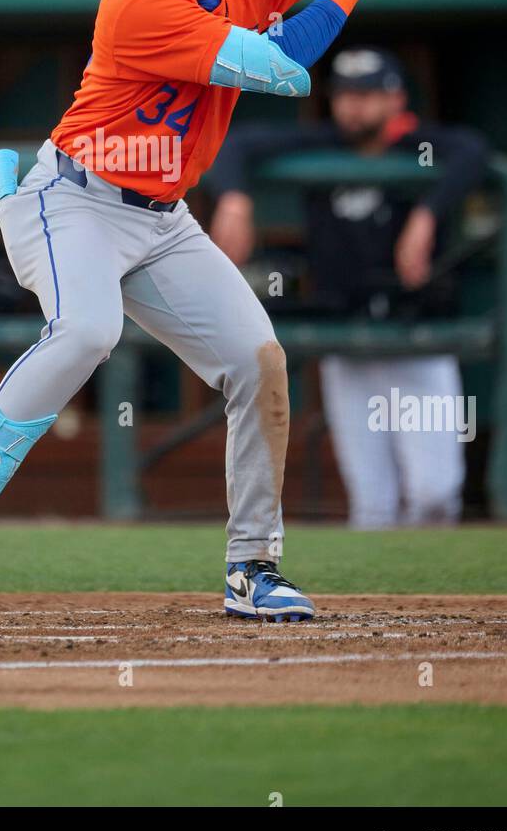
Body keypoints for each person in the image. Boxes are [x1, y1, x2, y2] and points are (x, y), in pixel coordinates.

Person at [0, 0, 388, 620]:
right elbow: (283, 66)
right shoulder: (137, 5)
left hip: (164, 220)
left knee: (258, 362)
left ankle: (253, 568)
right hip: (71, 202)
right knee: (87, 329)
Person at [208, 47, 488, 528]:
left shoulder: (422, 146)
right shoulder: (322, 144)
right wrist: (234, 199)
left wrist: (425, 214)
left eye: (368, 94)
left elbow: (475, 151)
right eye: (345, 95)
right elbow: (237, 144)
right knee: (372, 502)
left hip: (418, 335)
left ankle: (436, 594)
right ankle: (386, 602)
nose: (354, 106)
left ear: (396, 97)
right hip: (346, 338)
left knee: (435, 493)